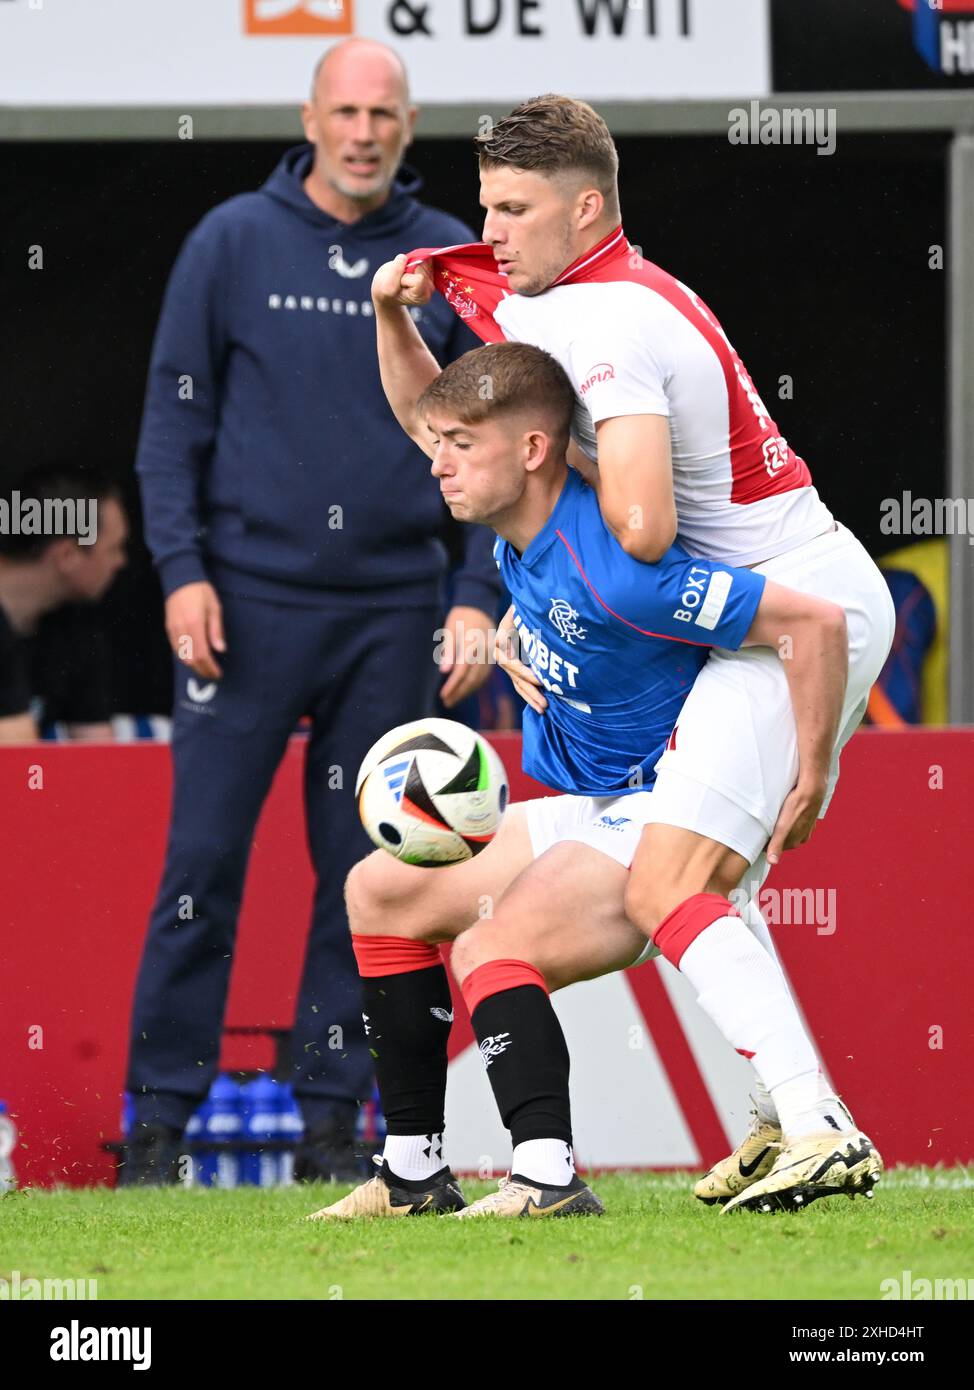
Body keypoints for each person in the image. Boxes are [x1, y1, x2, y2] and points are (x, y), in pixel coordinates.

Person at [369, 94, 896, 1211]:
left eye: (514, 207)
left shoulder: (606, 326)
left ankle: (814, 1127)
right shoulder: (570, 299)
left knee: (669, 879)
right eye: (484, 207)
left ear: (588, 205)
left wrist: (817, 760)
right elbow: (466, 428)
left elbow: (645, 528)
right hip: (761, 613)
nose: (493, 230)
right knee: (704, 879)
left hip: (790, 608)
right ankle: (787, 1117)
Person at [307, 341, 881, 1221]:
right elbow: (428, 410)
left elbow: (811, 621)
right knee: (378, 891)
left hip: (656, 815)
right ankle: (412, 1173)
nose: (438, 464)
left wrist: (815, 768)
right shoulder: (520, 533)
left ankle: (547, 1179)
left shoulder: (619, 570)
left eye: (461, 444)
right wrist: (388, 314)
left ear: (534, 450)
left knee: (491, 947)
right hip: (597, 803)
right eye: (438, 444)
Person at [123, 38, 499, 1186]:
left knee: (373, 874)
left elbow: (498, 433)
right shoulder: (232, 239)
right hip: (246, 605)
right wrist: (182, 569)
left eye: (382, 114)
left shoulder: (446, 262)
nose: (363, 132)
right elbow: (171, 424)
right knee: (201, 865)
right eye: (344, 111)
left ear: (408, 123)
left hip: (393, 610)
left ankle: (336, 1125)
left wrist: (477, 594)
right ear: (310, 116)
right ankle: (155, 1130)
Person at [0, 469, 128, 743]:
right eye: (113, 548)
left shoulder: (74, 626)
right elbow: (17, 760)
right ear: (67, 555)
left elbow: (99, 757)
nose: (121, 562)